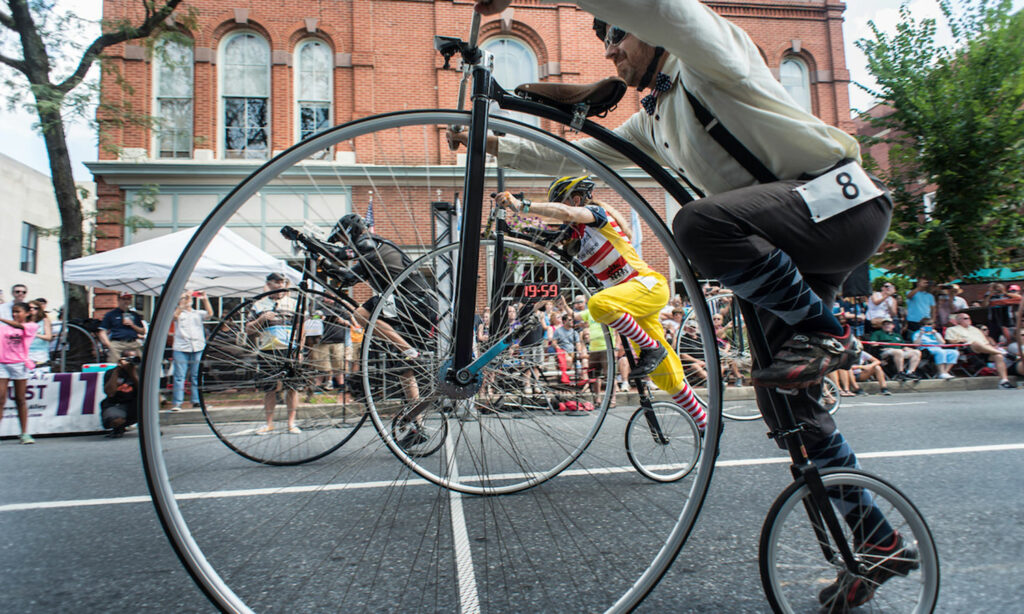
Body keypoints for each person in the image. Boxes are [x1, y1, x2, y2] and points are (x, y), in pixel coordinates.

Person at [470, 1, 908, 606]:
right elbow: (581, 156)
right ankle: (873, 543)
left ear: (649, 31)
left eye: (617, 34)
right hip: (789, 239)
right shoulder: (655, 118)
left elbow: (657, 7)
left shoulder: (708, 51)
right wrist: (490, 144)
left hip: (842, 206)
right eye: (604, 41)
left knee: (698, 226)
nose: (610, 50)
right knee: (785, 403)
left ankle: (827, 330)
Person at [494, 176, 707, 431]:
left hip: (648, 286)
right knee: (665, 376)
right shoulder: (574, 235)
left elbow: (565, 212)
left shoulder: (597, 214)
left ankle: (651, 348)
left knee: (598, 304)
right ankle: (705, 422)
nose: (562, 215)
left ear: (575, 199)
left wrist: (522, 205)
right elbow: (538, 239)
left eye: (562, 203)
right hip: (631, 304)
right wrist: (505, 230)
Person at [247, 273, 302, 434]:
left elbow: (301, 328)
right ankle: (269, 423)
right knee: (269, 388)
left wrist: (300, 349)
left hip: (289, 350)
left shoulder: (293, 303)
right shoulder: (259, 305)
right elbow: (248, 328)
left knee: (292, 387)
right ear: (269, 284)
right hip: (268, 351)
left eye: (282, 282)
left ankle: (291, 423)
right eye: (276, 282)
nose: (280, 285)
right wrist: (262, 319)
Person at [0, 302, 39, 444]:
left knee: (20, 399)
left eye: (18, 312)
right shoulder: (3, 328)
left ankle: (24, 433)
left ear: (27, 313)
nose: (15, 315)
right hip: (2, 363)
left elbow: (19, 326)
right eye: (13, 312)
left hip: (19, 364)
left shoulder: (31, 326)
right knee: (0, 398)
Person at [945, 313, 1015, 389]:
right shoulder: (952, 329)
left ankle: (1004, 381)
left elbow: (985, 342)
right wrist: (962, 340)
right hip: (967, 348)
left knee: (998, 356)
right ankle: (1004, 353)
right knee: (976, 342)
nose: (968, 320)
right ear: (958, 320)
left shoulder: (975, 329)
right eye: (965, 318)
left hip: (984, 349)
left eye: (969, 318)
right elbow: (951, 341)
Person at [171, 291, 214, 411]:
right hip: (181, 347)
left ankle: (196, 400)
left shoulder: (197, 313)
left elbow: (210, 314)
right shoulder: (178, 312)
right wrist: (182, 303)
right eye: (184, 298)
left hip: (197, 346)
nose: (187, 299)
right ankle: (177, 403)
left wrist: (205, 299)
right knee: (180, 376)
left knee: (196, 375)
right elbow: (175, 316)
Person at [101, 350, 140, 437]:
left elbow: (144, 391)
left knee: (148, 404)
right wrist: (117, 370)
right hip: (116, 404)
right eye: (128, 359)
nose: (130, 361)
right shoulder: (111, 372)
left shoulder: (139, 371)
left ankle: (150, 428)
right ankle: (118, 427)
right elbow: (110, 393)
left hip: (134, 404)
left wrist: (132, 373)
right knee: (116, 420)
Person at [98, 293, 145, 362]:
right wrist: (109, 345)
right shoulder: (111, 314)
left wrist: (132, 325)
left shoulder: (134, 315)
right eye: (124, 299)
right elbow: (102, 332)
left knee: (143, 362)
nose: (126, 301)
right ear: (118, 300)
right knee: (113, 364)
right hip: (117, 343)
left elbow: (143, 331)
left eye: (128, 299)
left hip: (133, 343)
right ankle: (113, 371)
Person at [26, 299, 55, 370]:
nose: (32, 310)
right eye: (30, 308)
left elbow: (48, 337)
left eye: (35, 308)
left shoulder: (44, 320)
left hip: (40, 352)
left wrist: (35, 335)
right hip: (26, 352)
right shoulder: (24, 321)